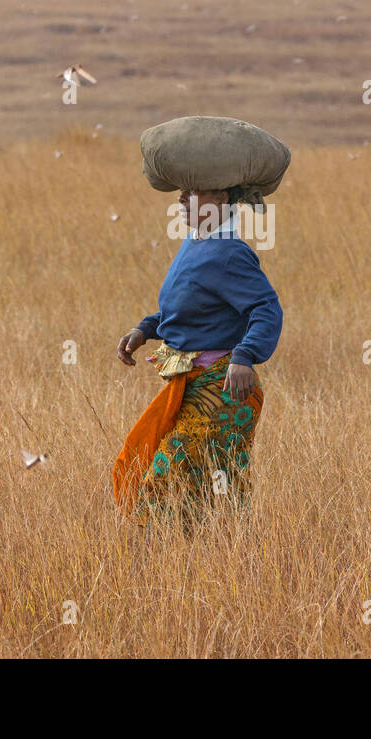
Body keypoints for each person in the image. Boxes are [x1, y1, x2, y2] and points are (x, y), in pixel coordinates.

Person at [113, 187, 282, 530]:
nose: (180, 201)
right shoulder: (195, 244)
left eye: (192, 193)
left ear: (220, 198)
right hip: (193, 386)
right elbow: (187, 311)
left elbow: (266, 308)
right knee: (210, 488)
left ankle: (185, 561)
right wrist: (144, 330)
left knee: (166, 480)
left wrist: (245, 356)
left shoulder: (230, 253)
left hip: (222, 392)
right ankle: (217, 564)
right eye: (181, 193)